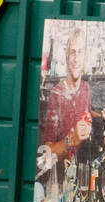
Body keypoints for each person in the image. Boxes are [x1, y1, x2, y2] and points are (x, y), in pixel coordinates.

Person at [40, 28, 94, 164]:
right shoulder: (56, 93)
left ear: (85, 57)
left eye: (80, 52)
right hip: (60, 174)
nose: (76, 59)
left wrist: (100, 114)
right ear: (66, 57)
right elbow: (47, 153)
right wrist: (71, 139)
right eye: (72, 52)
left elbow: (87, 113)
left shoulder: (86, 88)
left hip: (83, 166)